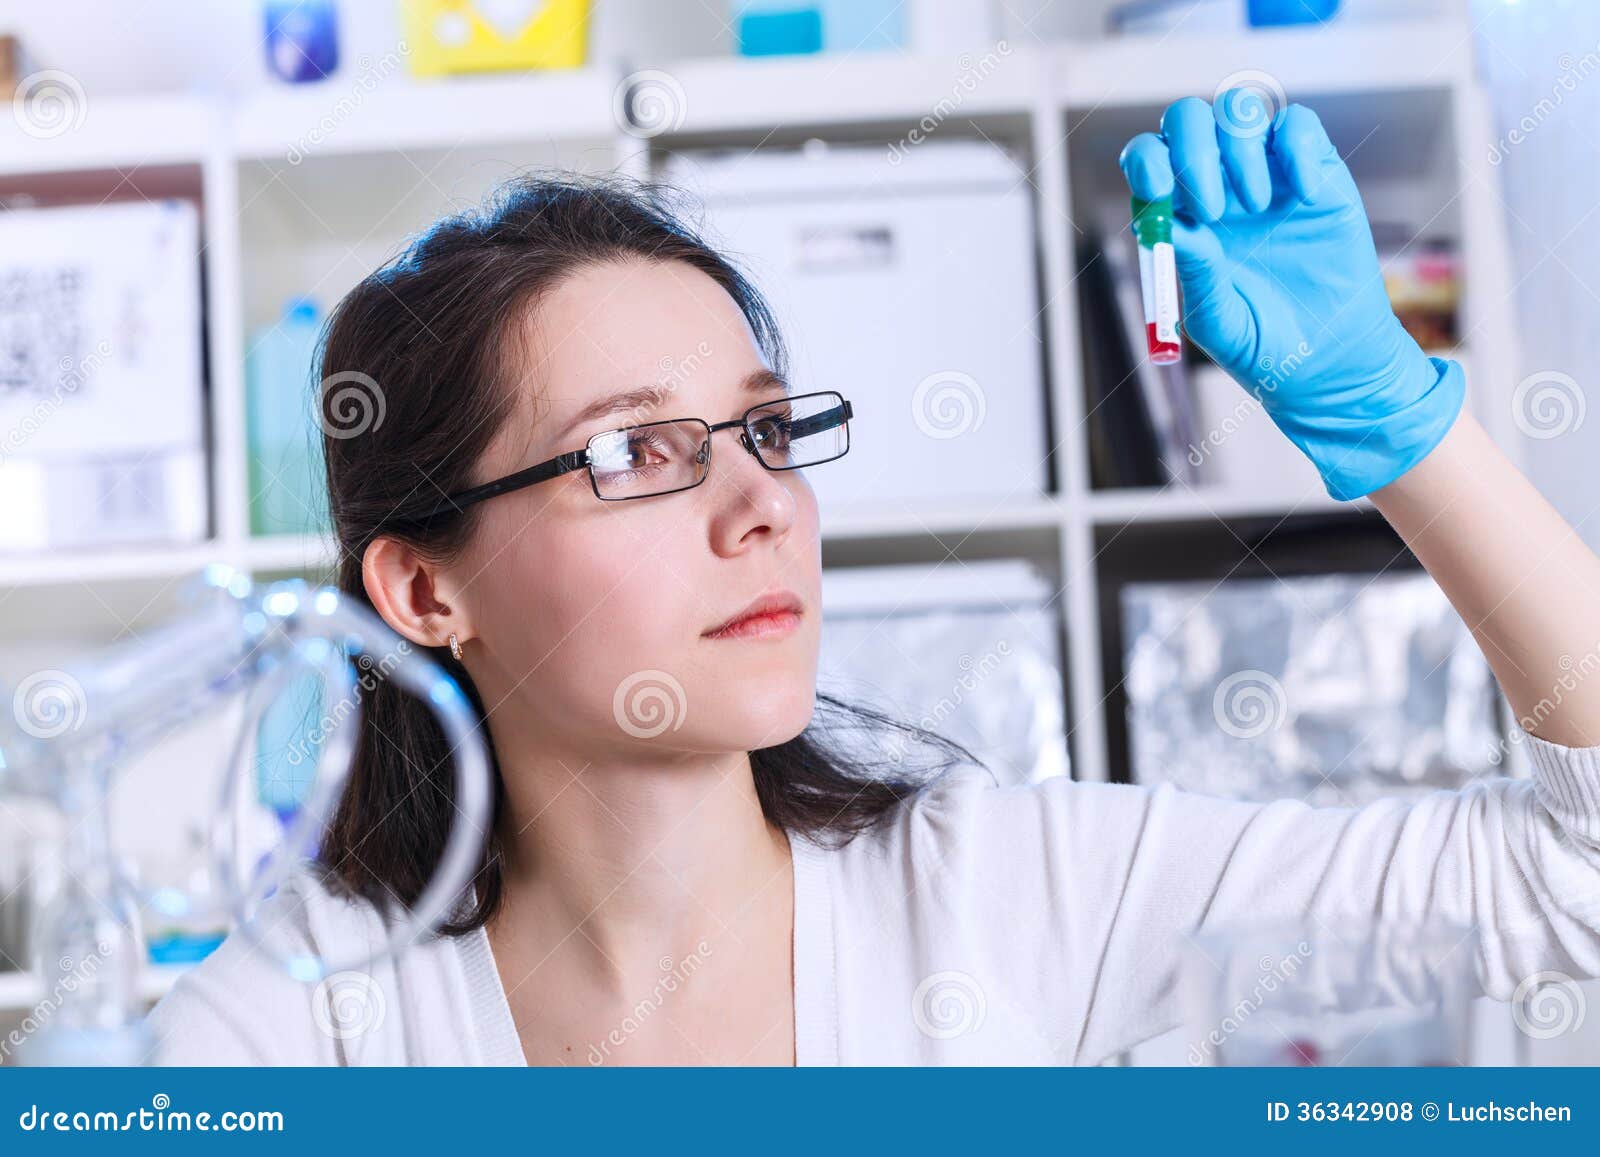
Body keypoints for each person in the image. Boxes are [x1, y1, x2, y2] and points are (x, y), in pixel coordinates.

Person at [146, 93, 1600, 1065]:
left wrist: (1397, 417)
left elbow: (1571, 888)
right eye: (639, 450)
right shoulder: (308, 1024)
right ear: (420, 591)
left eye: (767, 430)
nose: (762, 502)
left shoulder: (1005, 889)